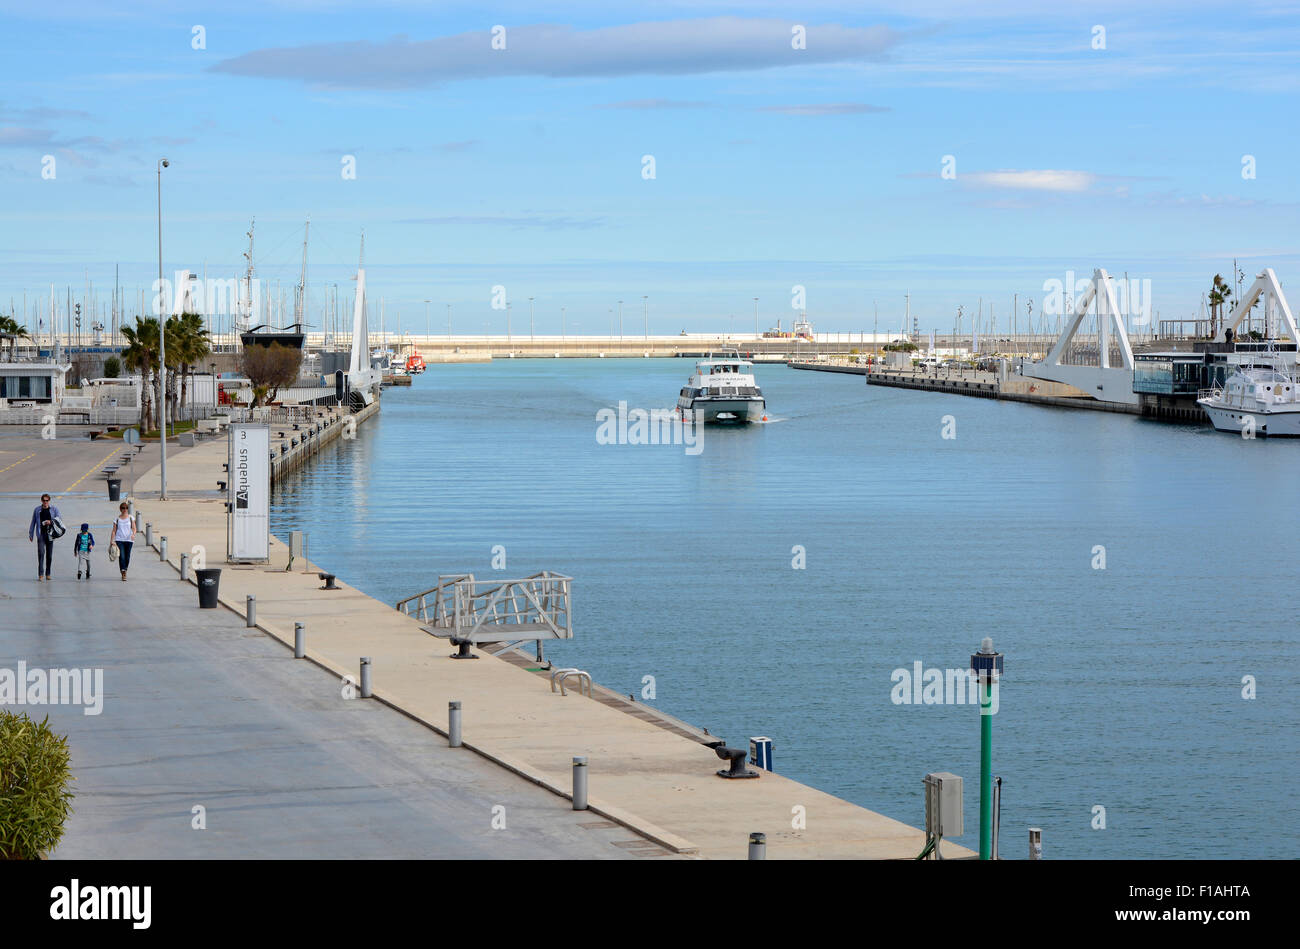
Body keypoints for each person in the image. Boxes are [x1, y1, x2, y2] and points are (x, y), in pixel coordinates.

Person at [27, 493, 63, 581]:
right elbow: (33, 522)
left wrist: (51, 522)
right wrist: (31, 533)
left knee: (49, 555)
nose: (45, 502)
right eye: (44, 500)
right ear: (41, 501)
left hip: (50, 535)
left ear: (49, 501)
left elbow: (59, 519)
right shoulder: (37, 510)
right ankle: (40, 574)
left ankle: (48, 573)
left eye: (47, 500)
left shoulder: (54, 509)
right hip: (41, 534)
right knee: (41, 553)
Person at [111, 502, 135, 581]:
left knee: (127, 557)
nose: (125, 510)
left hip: (129, 540)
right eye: (123, 508)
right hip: (119, 540)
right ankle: (123, 572)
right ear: (120, 509)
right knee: (122, 556)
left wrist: (133, 534)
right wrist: (112, 540)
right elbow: (114, 531)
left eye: (126, 508)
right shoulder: (117, 519)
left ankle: (125, 568)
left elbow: (134, 528)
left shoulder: (131, 518)